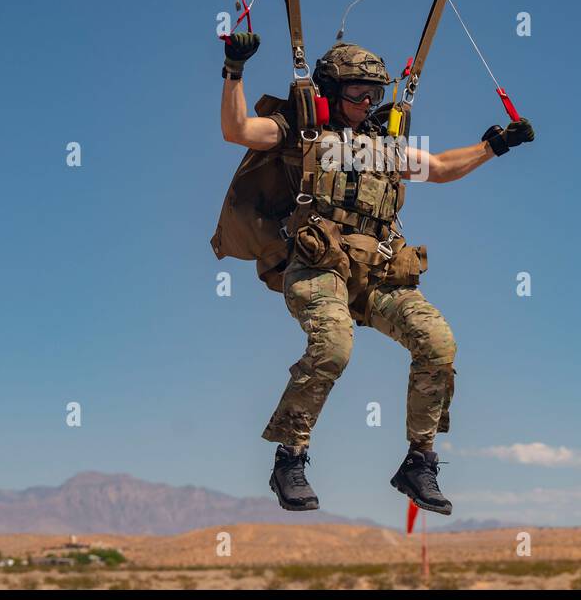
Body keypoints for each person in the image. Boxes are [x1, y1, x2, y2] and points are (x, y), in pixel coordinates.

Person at [218, 31, 535, 514]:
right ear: (329, 91)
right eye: (357, 93)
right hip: (318, 267)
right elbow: (237, 129)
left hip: (378, 273)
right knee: (333, 345)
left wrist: (494, 146)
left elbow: (441, 167)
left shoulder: (380, 146)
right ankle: (290, 457)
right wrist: (234, 70)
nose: (368, 101)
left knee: (438, 343)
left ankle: (419, 461)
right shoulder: (299, 133)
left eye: (375, 93)